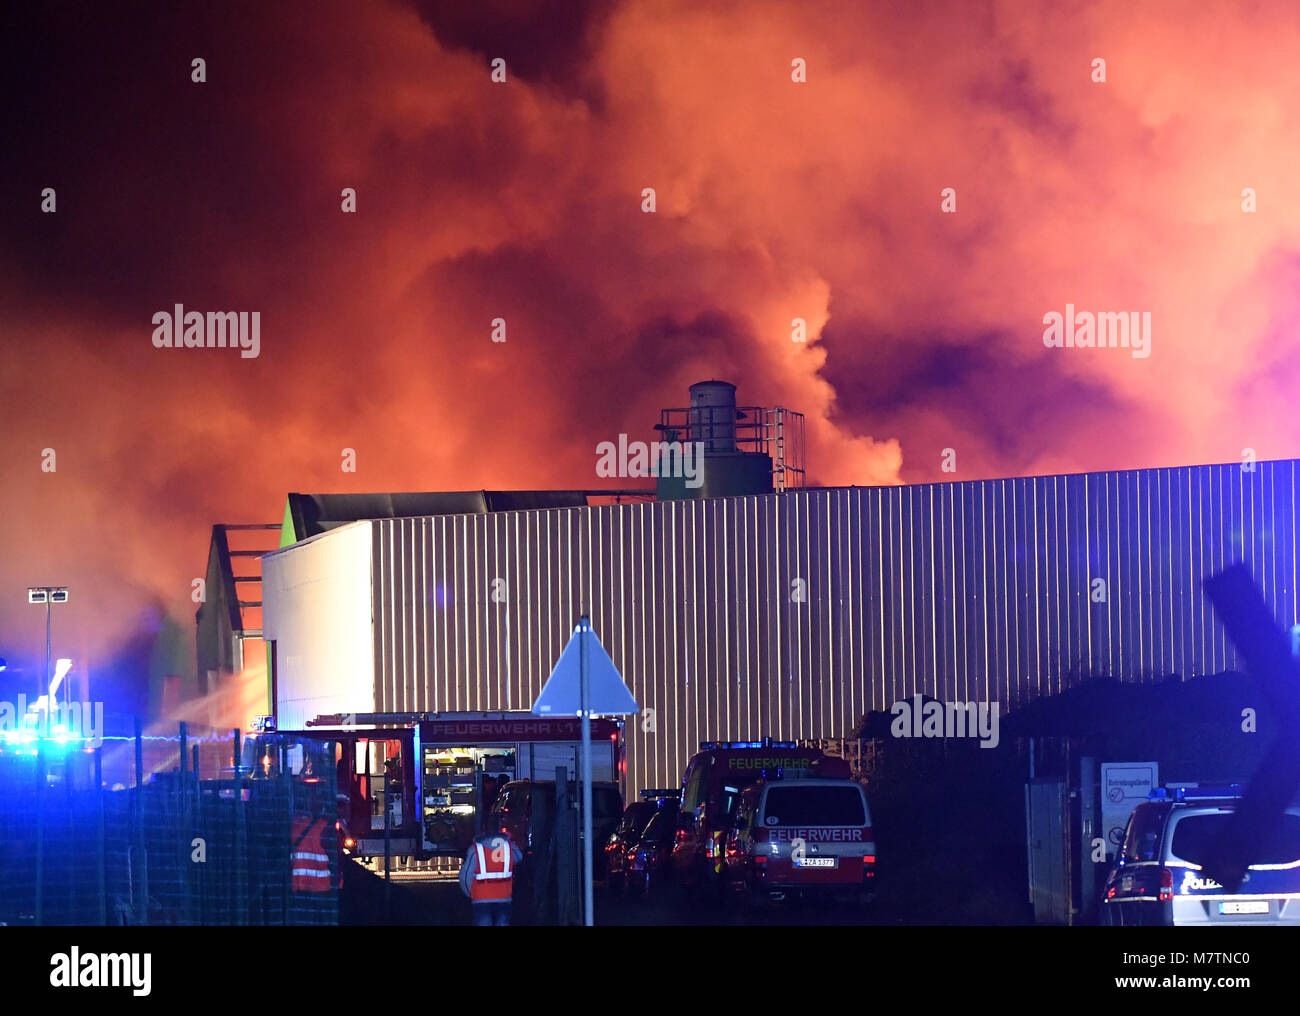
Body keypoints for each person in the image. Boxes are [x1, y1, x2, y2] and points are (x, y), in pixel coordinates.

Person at [459, 827, 524, 926]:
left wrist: (470, 893)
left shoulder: (475, 849)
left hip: (481, 899)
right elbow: (519, 857)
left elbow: (465, 875)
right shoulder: (509, 847)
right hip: (504, 897)